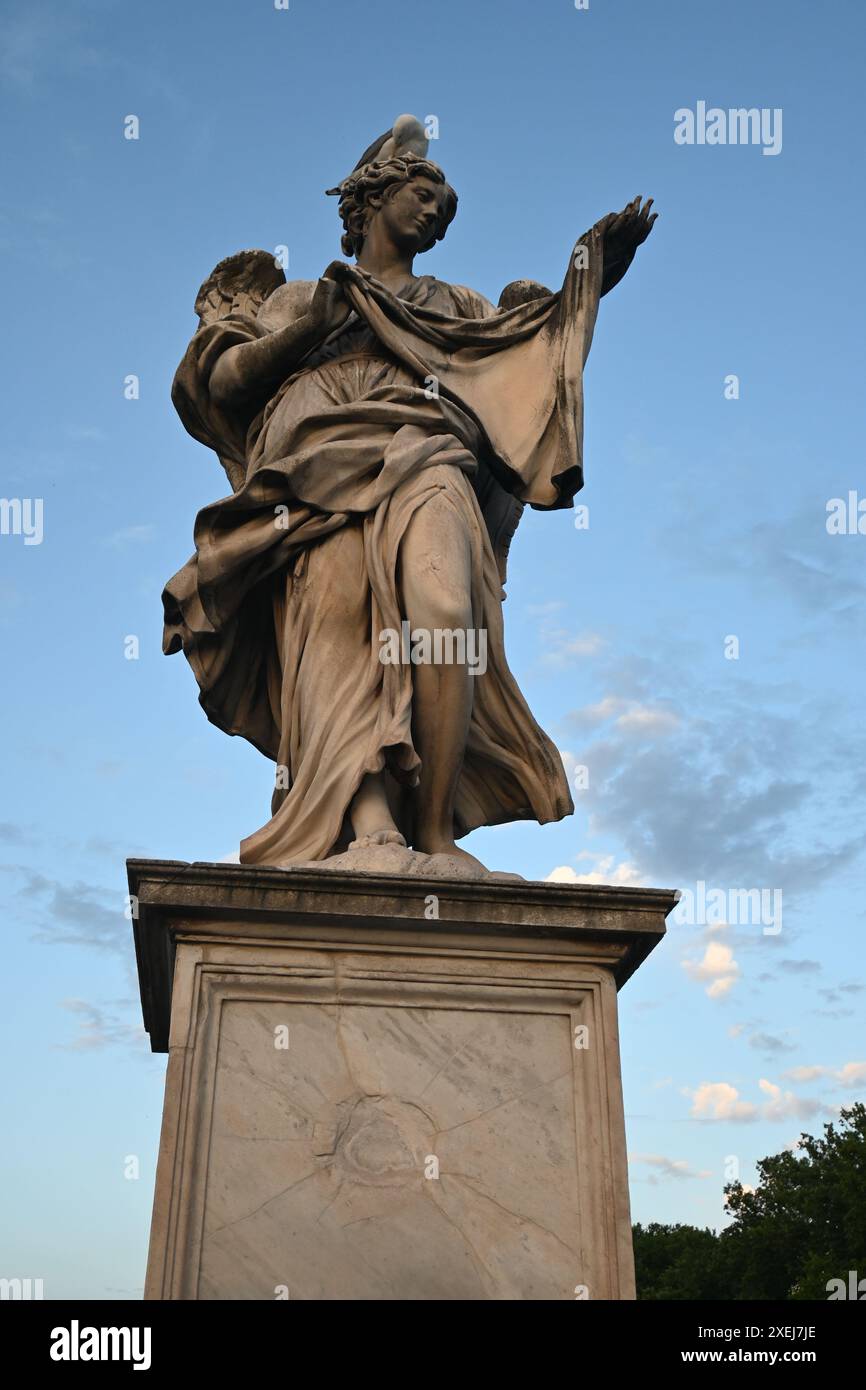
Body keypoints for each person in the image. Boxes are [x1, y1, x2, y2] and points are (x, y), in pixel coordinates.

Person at [164, 137, 656, 871]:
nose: (437, 212)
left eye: (445, 206)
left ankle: (433, 827)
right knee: (335, 637)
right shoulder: (302, 295)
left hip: (425, 449)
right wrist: (313, 326)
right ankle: (369, 827)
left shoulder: (456, 304)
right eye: (423, 194)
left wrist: (585, 285)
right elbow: (223, 379)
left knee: (446, 612)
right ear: (370, 199)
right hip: (309, 472)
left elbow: (529, 367)